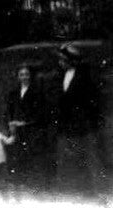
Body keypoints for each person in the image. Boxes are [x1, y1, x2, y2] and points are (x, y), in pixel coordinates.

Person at [53, 43, 107, 196]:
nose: (60, 62)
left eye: (62, 59)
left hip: (82, 126)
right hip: (66, 125)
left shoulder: (84, 77)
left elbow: (92, 102)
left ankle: (89, 192)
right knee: (70, 160)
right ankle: (74, 192)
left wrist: (88, 121)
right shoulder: (61, 75)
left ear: (70, 61)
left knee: (86, 158)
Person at [4, 62, 51, 193]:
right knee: (18, 156)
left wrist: (26, 123)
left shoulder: (37, 92)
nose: (24, 77)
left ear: (30, 76)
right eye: (21, 74)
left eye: (26, 74)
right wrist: (10, 123)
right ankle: (20, 184)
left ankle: (36, 186)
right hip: (16, 130)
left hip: (32, 130)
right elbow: (9, 110)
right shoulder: (13, 93)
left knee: (34, 157)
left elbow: (41, 113)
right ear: (18, 77)